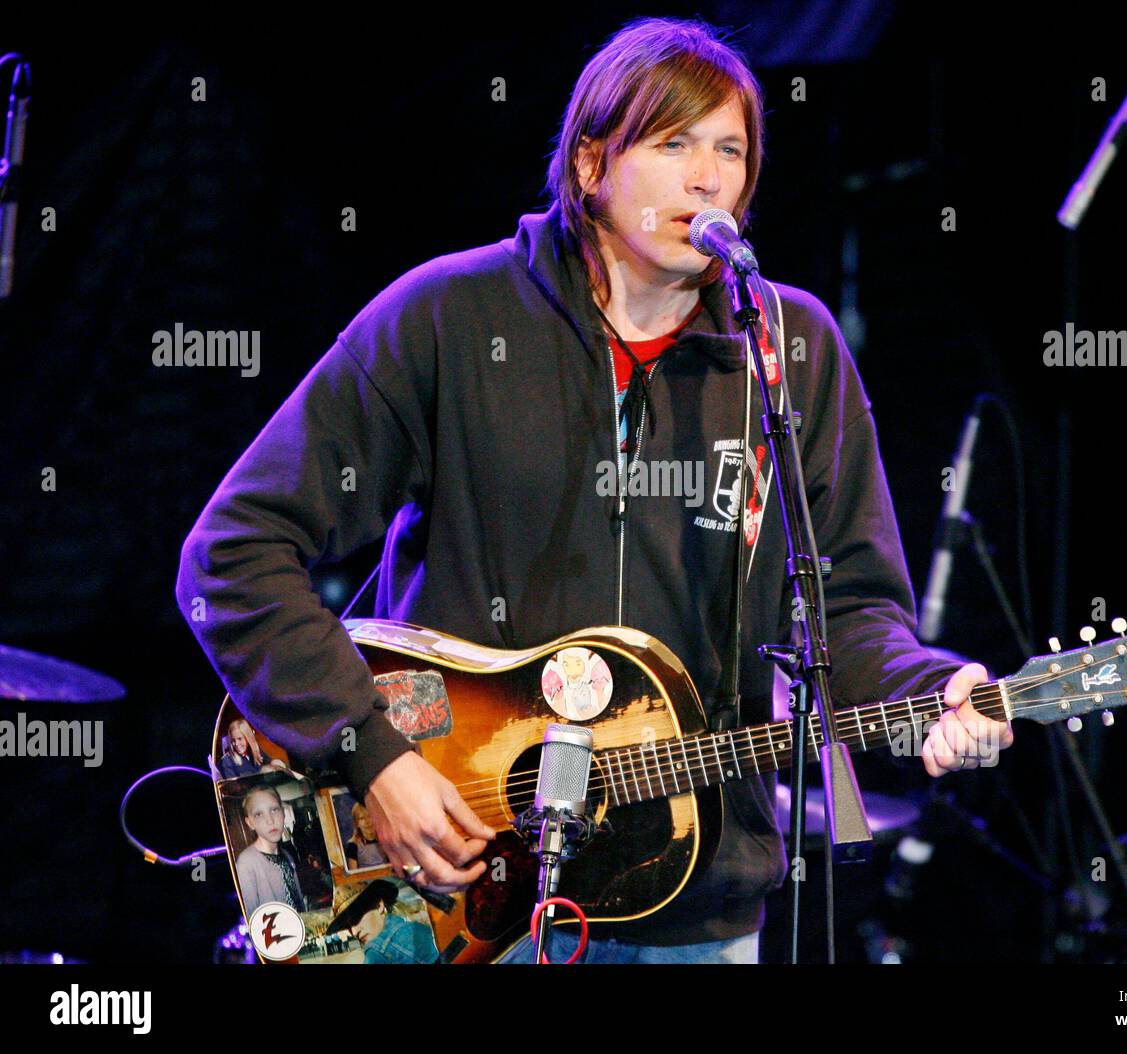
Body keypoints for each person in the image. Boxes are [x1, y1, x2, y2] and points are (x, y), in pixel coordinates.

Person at [178, 17, 1012, 964]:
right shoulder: (450, 316)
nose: (709, 178)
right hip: (451, 886)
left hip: (692, 904)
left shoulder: (793, 350)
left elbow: (850, 607)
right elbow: (232, 555)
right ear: (589, 165)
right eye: (674, 143)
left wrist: (933, 687)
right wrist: (372, 757)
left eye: (730, 150)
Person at [325, 879, 438, 964]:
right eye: (348, 927)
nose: (354, 932)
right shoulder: (416, 928)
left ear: (379, 905)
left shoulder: (377, 953)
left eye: (356, 918)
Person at [234, 784, 307, 914]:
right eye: (259, 814)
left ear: (283, 813)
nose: (270, 820)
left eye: (274, 810)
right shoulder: (246, 863)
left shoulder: (286, 855)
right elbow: (251, 917)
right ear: (250, 823)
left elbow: (299, 899)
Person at [344, 800, 387, 870]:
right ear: (356, 823)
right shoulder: (353, 845)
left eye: (369, 816)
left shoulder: (385, 839)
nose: (367, 821)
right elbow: (353, 874)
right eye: (362, 818)